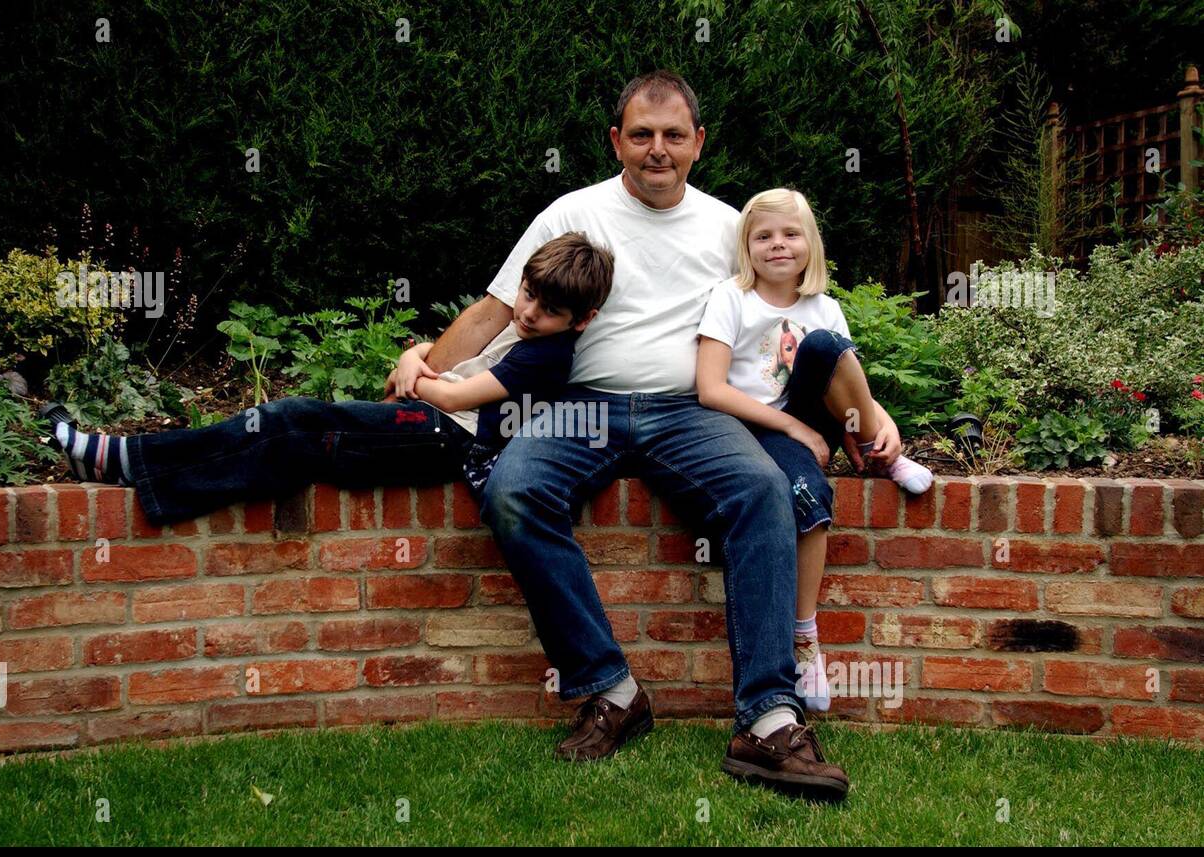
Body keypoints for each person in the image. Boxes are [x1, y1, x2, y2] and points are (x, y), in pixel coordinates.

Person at [391, 71, 850, 801]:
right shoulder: (571, 213)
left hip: (691, 411)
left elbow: (783, 316)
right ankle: (611, 689)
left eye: (673, 136)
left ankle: (768, 719)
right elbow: (495, 311)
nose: (657, 150)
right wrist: (421, 370)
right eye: (641, 135)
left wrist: (838, 410)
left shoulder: (729, 228)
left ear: (699, 143)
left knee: (763, 491)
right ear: (617, 141)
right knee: (513, 489)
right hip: (585, 406)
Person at [38, 232, 612, 521]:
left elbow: (461, 392)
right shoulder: (526, 327)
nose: (530, 312)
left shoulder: (548, 355)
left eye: (549, 310)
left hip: (444, 438)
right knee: (290, 440)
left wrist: (416, 374)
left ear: (580, 320)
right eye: (529, 294)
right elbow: (439, 364)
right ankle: (139, 470)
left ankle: (125, 461)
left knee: (290, 423)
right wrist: (415, 357)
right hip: (426, 424)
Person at [696, 188, 933, 712]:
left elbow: (846, 379)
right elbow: (710, 390)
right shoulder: (730, 299)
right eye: (763, 236)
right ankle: (805, 644)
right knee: (806, 494)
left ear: (810, 244)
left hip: (809, 415)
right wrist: (796, 431)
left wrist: (885, 421)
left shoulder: (823, 307)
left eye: (790, 234)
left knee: (824, 345)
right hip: (751, 427)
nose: (777, 245)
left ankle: (882, 455)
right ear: (746, 246)